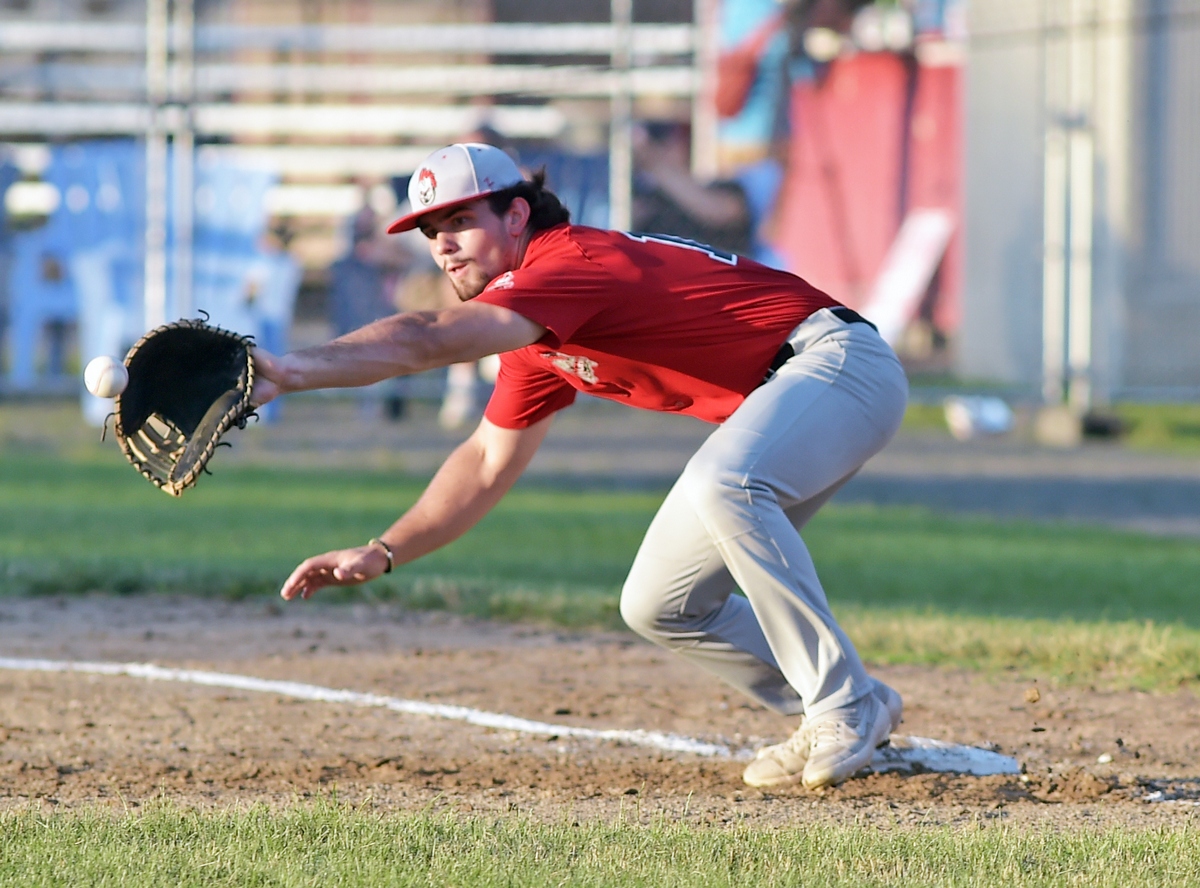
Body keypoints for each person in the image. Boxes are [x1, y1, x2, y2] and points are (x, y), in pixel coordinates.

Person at [251, 143, 909, 790]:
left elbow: (432, 335)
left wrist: (291, 370)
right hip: (792, 389)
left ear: (516, 216)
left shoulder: (568, 263)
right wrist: (384, 550)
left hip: (839, 363)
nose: (443, 245)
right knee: (661, 604)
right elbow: (485, 462)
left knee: (726, 485)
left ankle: (839, 706)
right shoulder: (529, 338)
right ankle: (853, 705)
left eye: (459, 222)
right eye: (430, 230)